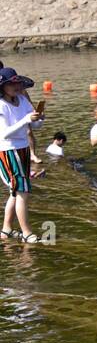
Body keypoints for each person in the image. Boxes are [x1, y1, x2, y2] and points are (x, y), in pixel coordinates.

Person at [0, 66, 42, 242]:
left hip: (23, 148)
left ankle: (6, 230)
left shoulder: (22, 100)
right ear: (3, 86)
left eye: (17, 83)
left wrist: (39, 119)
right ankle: (26, 233)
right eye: (11, 84)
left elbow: (35, 126)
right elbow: (4, 133)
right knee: (22, 191)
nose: (16, 87)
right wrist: (26, 120)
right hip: (8, 150)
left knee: (15, 192)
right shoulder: (1, 104)